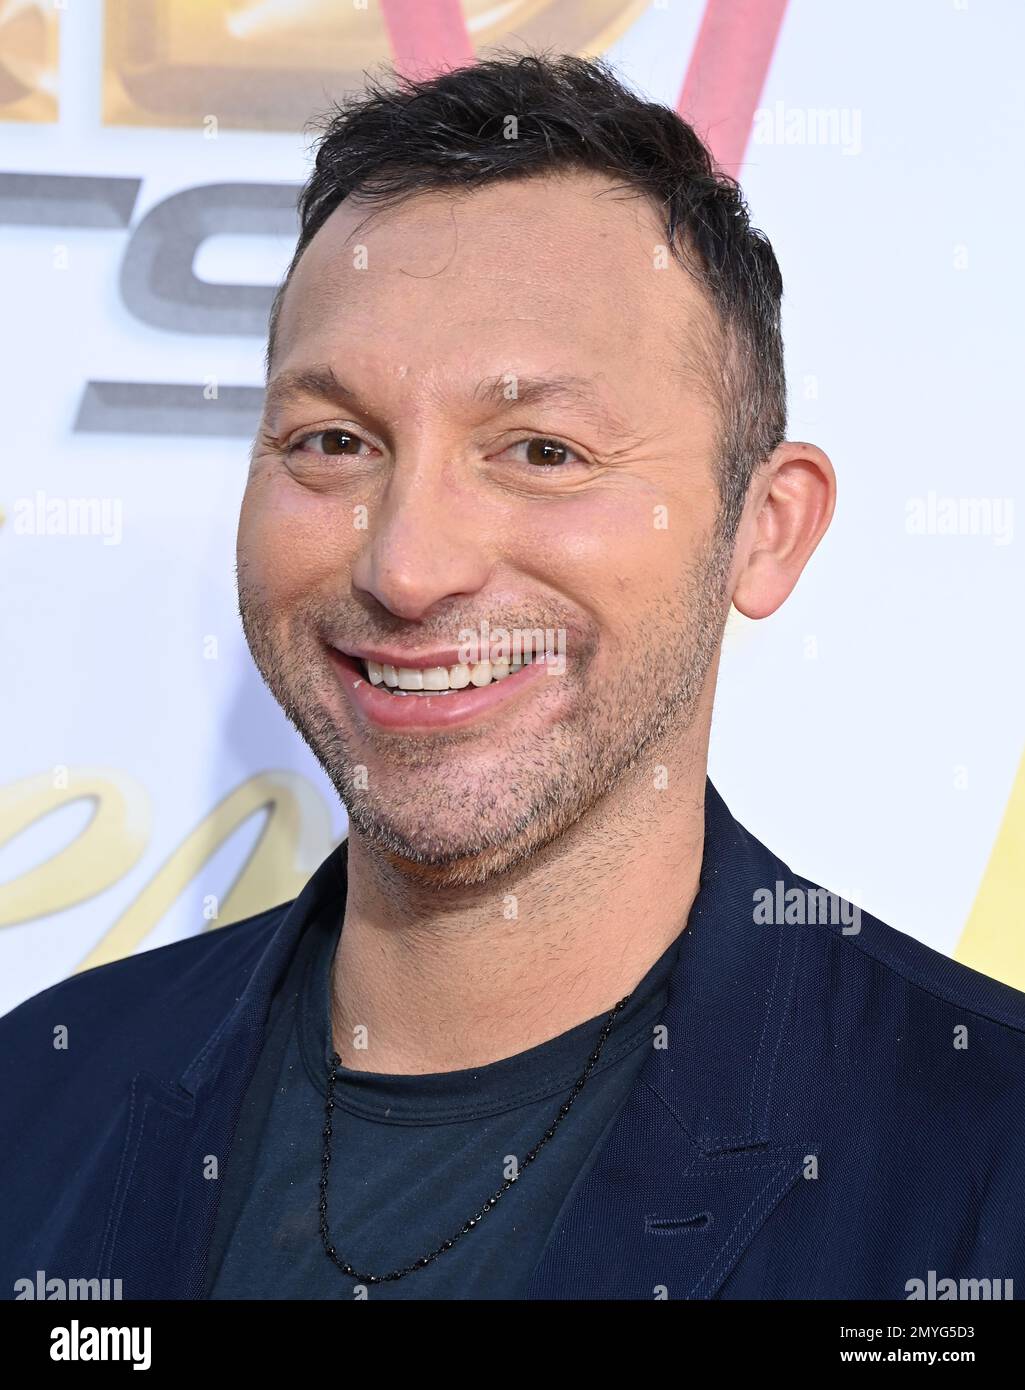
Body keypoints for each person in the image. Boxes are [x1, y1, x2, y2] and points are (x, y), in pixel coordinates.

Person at [3, 52, 1024, 1303]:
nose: (409, 564)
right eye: (333, 441)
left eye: (541, 449)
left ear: (764, 528)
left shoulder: (983, 1156)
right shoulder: (39, 1098)